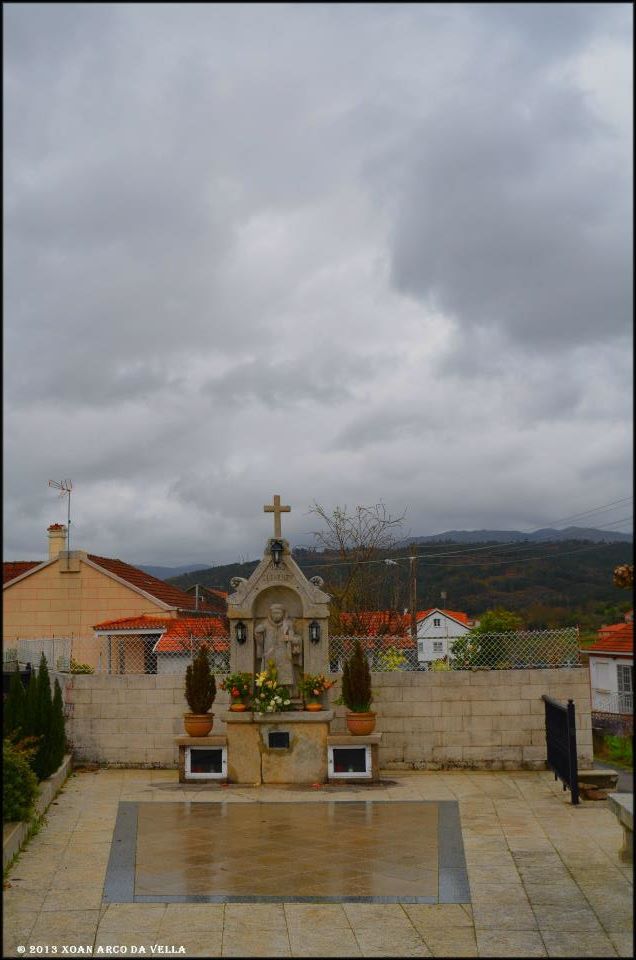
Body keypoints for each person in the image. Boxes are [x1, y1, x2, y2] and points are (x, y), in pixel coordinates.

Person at [254, 603, 301, 687]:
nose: (276, 615)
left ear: (283, 614)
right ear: (270, 614)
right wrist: (258, 634)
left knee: (284, 673)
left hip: (283, 654)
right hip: (269, 653)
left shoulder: (288, 624)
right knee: (268, 674)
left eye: (278, 613)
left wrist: (290, 638)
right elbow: (260, 643)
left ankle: (286, 692)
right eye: (274, 613)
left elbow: (294, 638)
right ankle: (268, 692)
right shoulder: (265, 624)